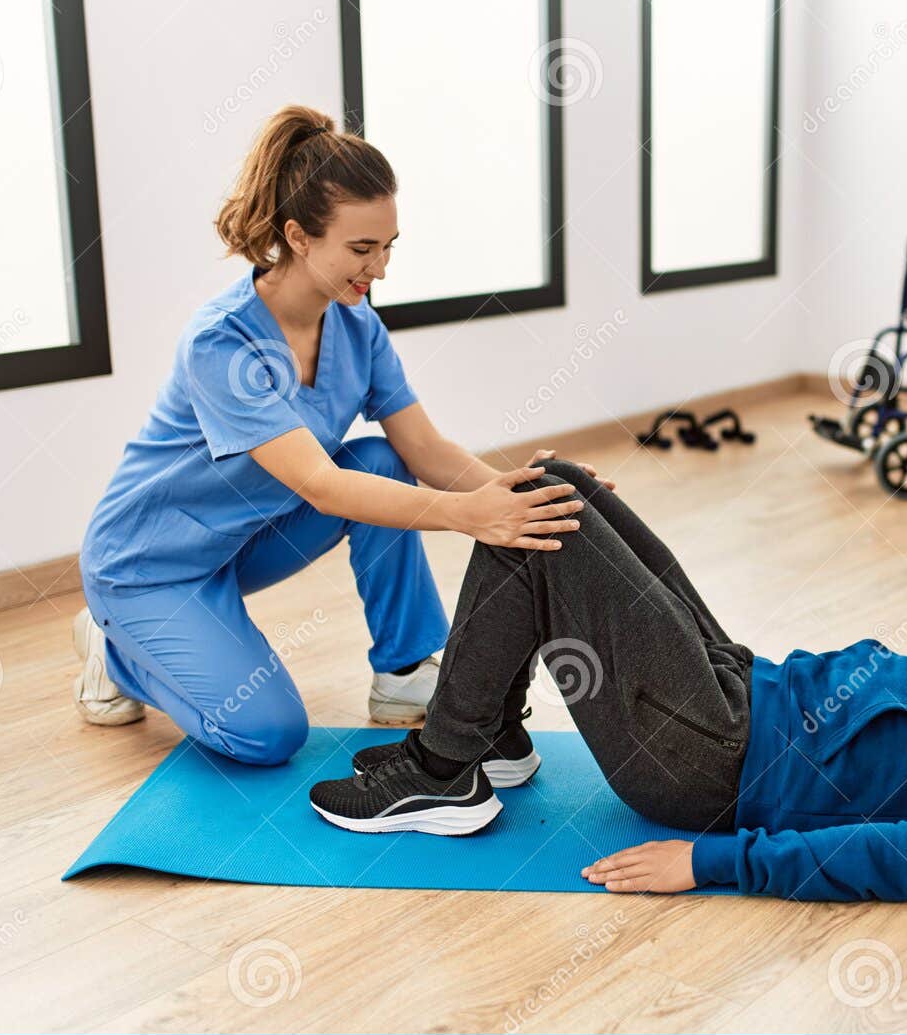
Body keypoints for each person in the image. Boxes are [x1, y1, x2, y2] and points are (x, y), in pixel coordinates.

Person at [308, 459, 907, 901]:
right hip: (742, 688)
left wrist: (715, 863)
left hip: (714, 761)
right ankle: (498, 735)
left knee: (532, 523)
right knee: (564, 483)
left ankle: (445, 761)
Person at [75, 104, 605, 765]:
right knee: (267, 735)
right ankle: (115, 649)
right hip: (147, 566)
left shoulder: (358, 329)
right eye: (361, 249)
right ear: (299, 237)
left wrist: (516, 489)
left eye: (388, 246)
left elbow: (424, 450)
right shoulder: (223, 343)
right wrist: (471, 516)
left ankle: (404, 668)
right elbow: (321, 485)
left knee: (381, 460)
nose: (379, 267)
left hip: (237, 544)